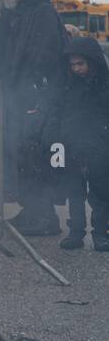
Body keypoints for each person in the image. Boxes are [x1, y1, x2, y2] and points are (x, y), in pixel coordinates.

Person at [0, 0, 67, 236]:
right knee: (24, 155)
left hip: (38, 99)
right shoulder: (25, 13)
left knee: (36, 156)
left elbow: (43, 59)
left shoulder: (43, 13)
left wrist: (31, 93)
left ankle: (44, 217)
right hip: (24, 98)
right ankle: (31, 210)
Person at [44, 36, 109, 251]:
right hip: (69, 144)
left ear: (92, 61)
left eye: (80, 64)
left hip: (98, 145)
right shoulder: (65, 86)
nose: (76, 69)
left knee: (100, 192)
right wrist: (54, 140)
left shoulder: (104, 85)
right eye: (72, 65)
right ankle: (76, 232)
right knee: (74, 192)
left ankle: (101, 233)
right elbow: (55, 112)